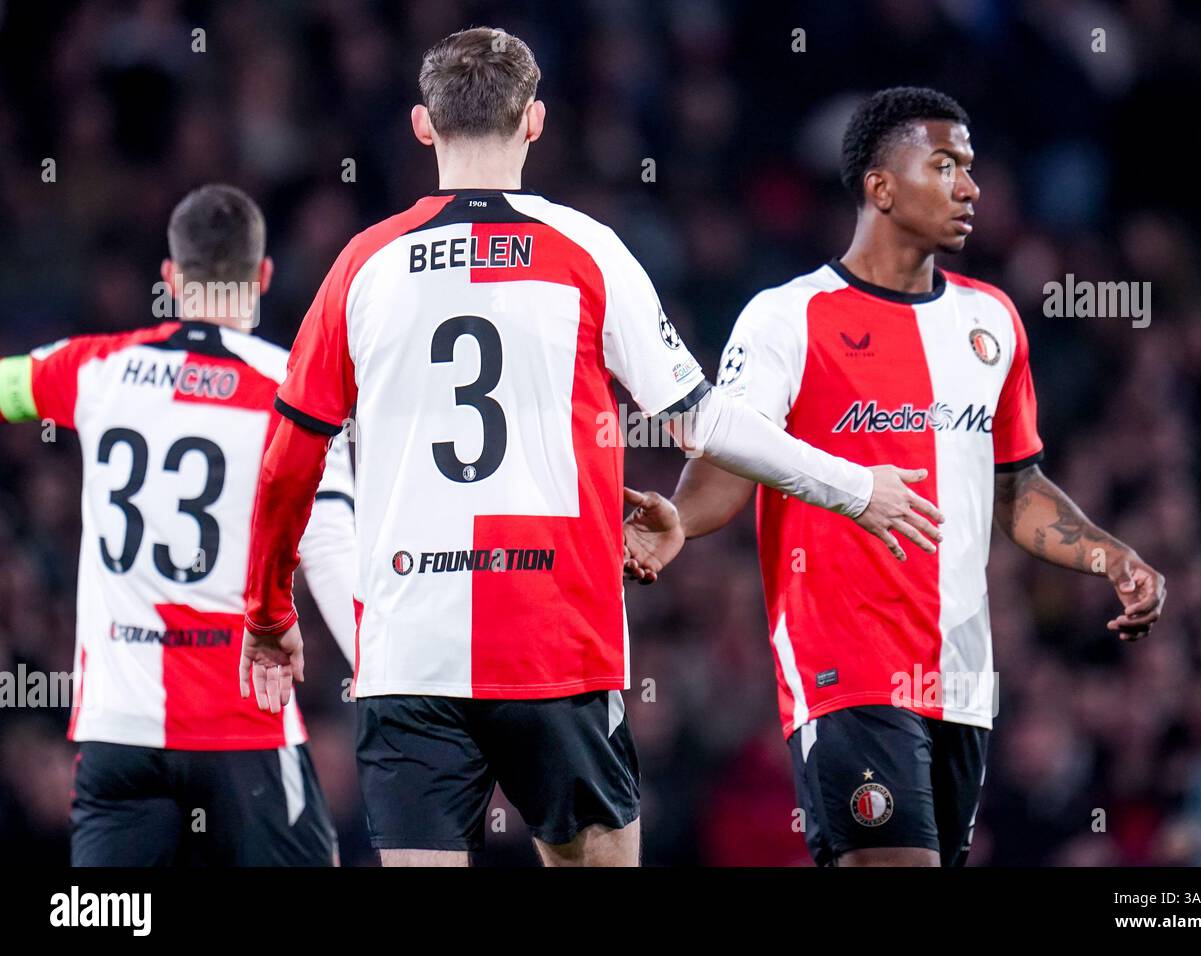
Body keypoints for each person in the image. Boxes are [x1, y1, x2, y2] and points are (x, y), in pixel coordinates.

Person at [239, 28, 941, 868]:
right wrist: (854, 487)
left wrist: (268, 614)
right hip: (555, 642)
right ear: (534, 122)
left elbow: (289, 463)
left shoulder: (362, 265)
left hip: (410, 652)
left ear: (423, 126)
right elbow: (705, 422)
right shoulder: (588, 250)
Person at [624, 87, 1168, 867]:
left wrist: (1109, 555)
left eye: (971, 169)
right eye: (944, 166)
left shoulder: (993, 321)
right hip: (845, 664)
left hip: (961, 672)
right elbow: (727, 458)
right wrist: (677, 523)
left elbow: (1016, 485)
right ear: (879, 187)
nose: (971, 187)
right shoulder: (787, 317)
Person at [0, 184, 358, 865]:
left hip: (118, 731)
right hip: (241, 729)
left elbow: (6, 386)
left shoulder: (98, 368)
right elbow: (332, 548)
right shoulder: (294, 392)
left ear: (170, 276)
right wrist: (388, 674)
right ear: (263, 276)